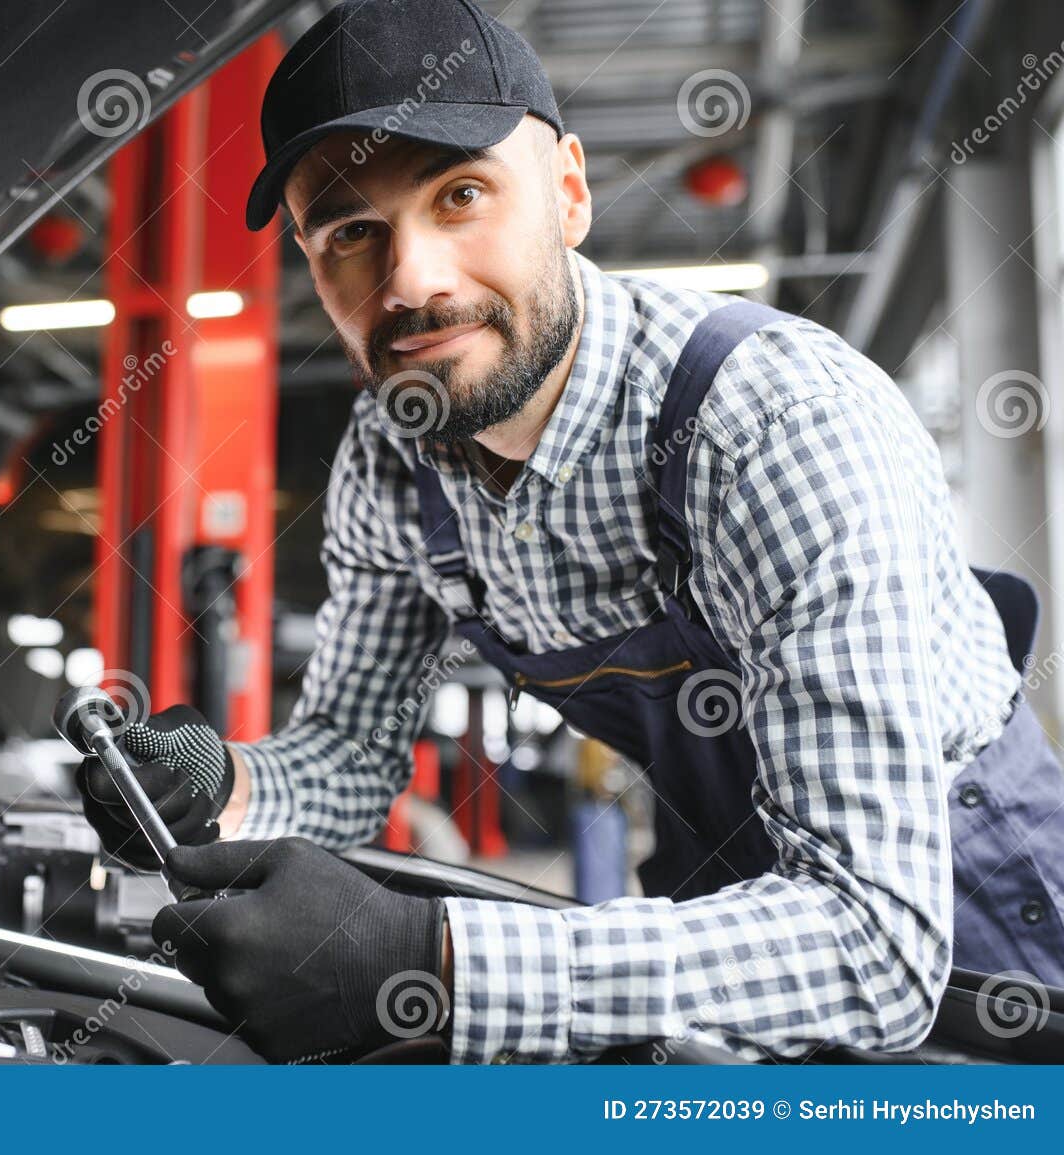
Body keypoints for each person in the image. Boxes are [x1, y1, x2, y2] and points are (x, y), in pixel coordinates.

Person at [75, 0, 1064, 1064]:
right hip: (721, 884)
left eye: (460, 196)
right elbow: (353, 755)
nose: (412, 280)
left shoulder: (775, 428)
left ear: (569, 193)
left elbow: (875, 944)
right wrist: (222, 788)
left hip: (973, 921)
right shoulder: (393, 457)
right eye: (352, 232)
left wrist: (433, 962)